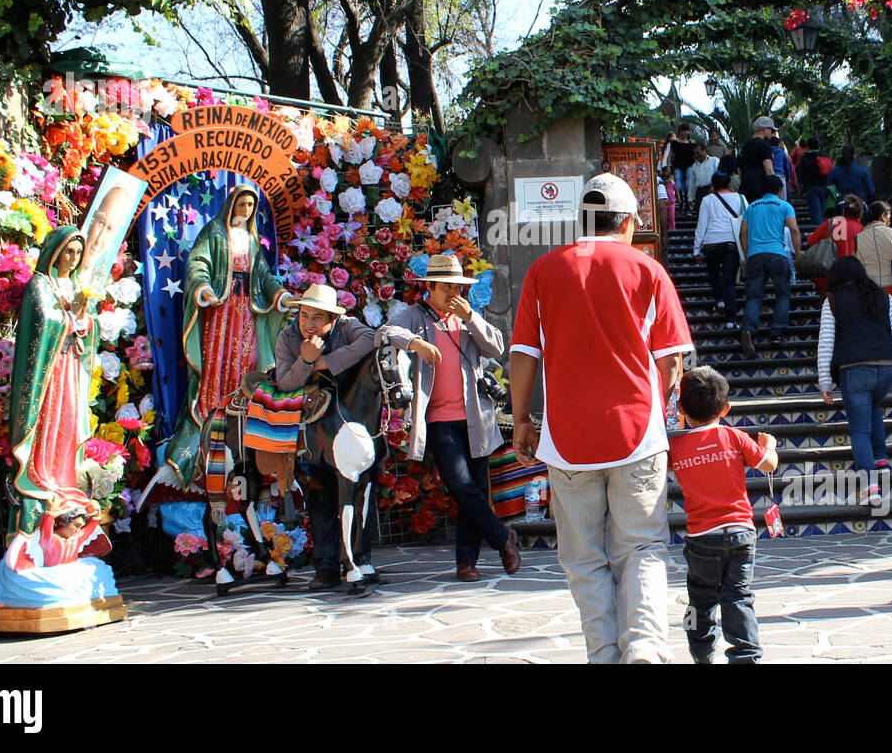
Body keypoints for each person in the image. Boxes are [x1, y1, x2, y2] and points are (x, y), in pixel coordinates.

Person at [509, 174, 693, 663]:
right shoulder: (649, 270)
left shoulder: (543, 272)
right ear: (629, 221)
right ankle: (647, 653)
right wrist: (657, 407)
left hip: (566, 440)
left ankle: (604, 655)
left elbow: (524, 354)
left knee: (584, 558)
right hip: (637, 436)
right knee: (641, 549)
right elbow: (671, 361)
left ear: (581, 221)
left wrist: (522, 418)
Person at [383, 254, 520, 582]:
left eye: (457, 287)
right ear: (429, 287)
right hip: (440, 419)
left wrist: (471, 316)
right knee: (461, 485)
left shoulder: (468, 316)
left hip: (477, 419)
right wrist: (415, 342)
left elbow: (496, 347)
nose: (452, 293)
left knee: (471, 490)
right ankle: (503, 538)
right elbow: (385, 332)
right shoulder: (416, 317)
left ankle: (466, 562)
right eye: (445, 287)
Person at [171, 185, 295, 486]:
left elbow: (263, 274)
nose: (248, 210)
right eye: (243, 204)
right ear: (232, 204)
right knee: (218, 361)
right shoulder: (215, 233)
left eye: (252, 205)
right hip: (221, 311)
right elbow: (199, 263)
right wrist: (203, 287)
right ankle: (213, 411)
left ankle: (242, 415)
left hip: (246, 313)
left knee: (247, 362)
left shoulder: (252, 239)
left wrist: (279, 294)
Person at [6, 227, 106, 562]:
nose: (73, 258)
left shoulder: (75, 285)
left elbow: (87, 325)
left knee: (68, 422)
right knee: (49, 423)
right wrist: (69, 318)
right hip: (48, 372)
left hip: (70, 367)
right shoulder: (40, 284)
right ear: (55, 252)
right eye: (68, 252)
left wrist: (83, 319)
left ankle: (63, 478)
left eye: (78, 253)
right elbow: (42, 320)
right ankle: (42, 476)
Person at [668, 366, 778, 664]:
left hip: (702, 539)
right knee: (739, 597)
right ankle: (746, 655)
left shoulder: (674, 447)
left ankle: (700, 652)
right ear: (726, 407)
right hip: (742, 533)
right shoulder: (735, 437)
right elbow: (769, 465)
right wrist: (769, 446)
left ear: (681, 408)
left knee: (698, 601)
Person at [273, 283, 380, 589]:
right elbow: (284, 383)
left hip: (351, 427)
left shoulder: (347, 328)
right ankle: (325, 566)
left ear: (332, 319)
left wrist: (326, 362)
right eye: (304, 315)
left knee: (360, 493)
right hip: (313, 431)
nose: (308, 324)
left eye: (318, 317)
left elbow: (371, 339)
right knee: (319, 494)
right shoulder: (289, 337)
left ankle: (361, 558)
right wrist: (305, 360)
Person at [817, 255, 892, 506]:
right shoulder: (883, 296)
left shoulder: (833, 301)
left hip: (854, 369)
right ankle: (880, 458)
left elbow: (826, 343)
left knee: (859, 429)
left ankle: (870, 486)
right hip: (887, 368)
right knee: (871, 407)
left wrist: (825, 382)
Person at [738, 174, 801, 357]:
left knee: (754, 297)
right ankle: (776, 333)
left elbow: (743, 233)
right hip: (778, 255)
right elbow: (794, 229)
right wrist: (798, 256)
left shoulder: (752, 207)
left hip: (755, 256)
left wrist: (748, 254)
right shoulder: (784, 206)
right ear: (780, 190)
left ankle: (749, 330)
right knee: (783, 294)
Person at [693, 172, 745, 328]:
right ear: (729, 184)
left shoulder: (707, 200)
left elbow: (701, 225)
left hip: (711, 244)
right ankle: (730, 319)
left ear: (713, 186)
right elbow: (746, 221)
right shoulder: (741, 198)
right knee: (729, 280)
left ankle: (719, 300)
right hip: (731, 243)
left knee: (713, 273)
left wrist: (696, 248)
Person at [805, 194, 866, 297]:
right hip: (853, 278)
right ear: (861, 212)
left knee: (828, 310)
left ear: (843, 210)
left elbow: (811, 241)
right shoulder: (862, 229)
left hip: (828, 277)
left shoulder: (831, 223)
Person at [855, 200, 892, 298]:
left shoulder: (857, 238)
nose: (890, 221)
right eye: (889, 217)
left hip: (868, 291)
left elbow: (855, 266)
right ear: (883, 215)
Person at [796, 136, 831, 229]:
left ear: (808, 146)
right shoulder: (824, 155)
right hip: (824, 186)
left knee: (815, 212)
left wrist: (799, 186)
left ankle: (822, 233)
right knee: (823, 210)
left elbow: (800, 173)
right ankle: (825, 230)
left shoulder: (805, 157)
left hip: (811, 187)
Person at [738, 117, 776, 201]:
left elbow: (739, 171)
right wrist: (775, 191)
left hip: (744, 191)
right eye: (772, 131)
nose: (772, 134)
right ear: (765, 129)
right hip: (760, 191)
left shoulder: (743, 147)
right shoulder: (764, 145)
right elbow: (769, 169)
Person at [687, 143, 720, 209]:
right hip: (699, 192)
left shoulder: (714, 161)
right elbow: (692, 183)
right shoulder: (694, 166)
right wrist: (690, 198)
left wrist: (715, 187)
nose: (697, 155)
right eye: (695, 154)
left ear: (704, 150)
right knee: (700, 214)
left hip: (712, 190)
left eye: (698, 153)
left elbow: (719, 176)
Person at [670, 123, 695, 208]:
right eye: (682, 130)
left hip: (689, 166)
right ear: (679, 131)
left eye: (686, 130)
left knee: (688, 186)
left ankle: (688, 207)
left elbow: (695, 156)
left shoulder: (692, 143)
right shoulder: (674, 143)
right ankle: (681, 204)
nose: (684, 132)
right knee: (679, 187)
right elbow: (670, 155)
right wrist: (668, 167)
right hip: (678, 167)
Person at [657, 169, 676, 235]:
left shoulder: (671, 184)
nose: (666, 181)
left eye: (667, 179)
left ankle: (672, 229)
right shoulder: (661, 184)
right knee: (666, 217)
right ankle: (667, 229)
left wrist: (679, 199)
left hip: (671, 203)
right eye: (665, 179)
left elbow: (676, 191)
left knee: (671, 217)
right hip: (665, 203)